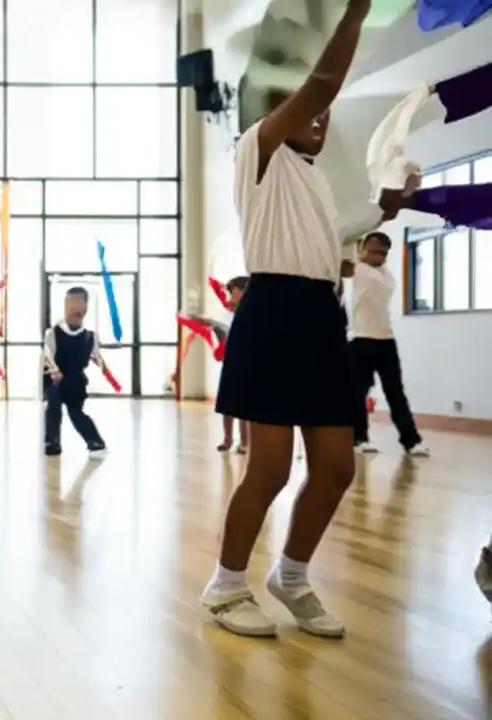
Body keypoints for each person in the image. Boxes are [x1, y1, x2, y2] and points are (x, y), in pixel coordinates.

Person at [201, 0, 370, 639]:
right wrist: (355, 13)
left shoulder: (314, 178)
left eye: (325, 115)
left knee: (336, 463)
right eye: (305, 106)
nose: (320, 115)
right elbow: (322, 83)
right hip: (271, 312)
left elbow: (329, 249)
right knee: (269, 465)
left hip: (320, 319)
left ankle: (292, 576)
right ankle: (224, 586)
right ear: (272, 111)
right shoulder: (259, 148)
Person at [348, 232, 429, 457]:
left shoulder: (386, 275)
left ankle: (411, 441)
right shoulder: (355, 269)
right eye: (373, 251)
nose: (378, 256)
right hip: (361, 339)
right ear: (362, 249)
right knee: (359, 392)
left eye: (383, 253)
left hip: (386, 339)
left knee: (396, 392)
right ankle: (359, 438)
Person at [42, 287, 109, 460]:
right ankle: (52, 441)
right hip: (56, 379)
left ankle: (95, 441)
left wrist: (102, 365)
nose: (74, 313)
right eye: (71, 309)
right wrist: (54, 370)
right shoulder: (53, 333)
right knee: (53, 408)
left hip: (76, 380)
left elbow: (95, 355)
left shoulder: (90, 336)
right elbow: (48, 354)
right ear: (65, 307)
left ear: (85, 309)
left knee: (76, 412)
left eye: (79, 309)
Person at [217, 276, 250, 454]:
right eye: (232, 290)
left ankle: (245, 442)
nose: (233, 293)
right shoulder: (228, 311)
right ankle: (227, 439)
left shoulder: (251, 310)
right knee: (227, 401)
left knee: (243, 404)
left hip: (246, 360)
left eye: (236, 289)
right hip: (230, 359)